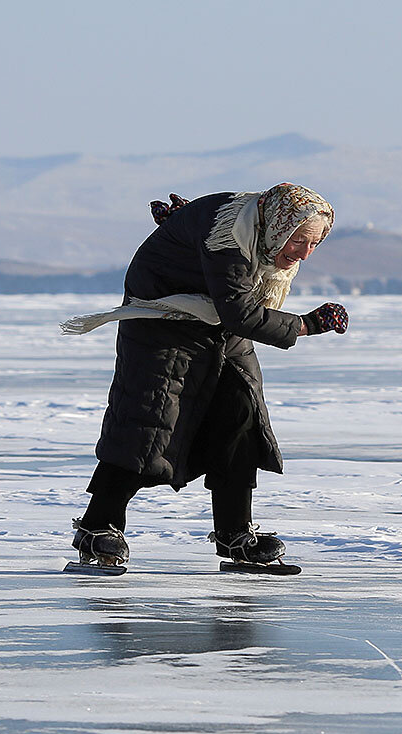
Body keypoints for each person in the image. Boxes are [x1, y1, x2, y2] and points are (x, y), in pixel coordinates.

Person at [64, 183, 348, 568]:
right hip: (164, 319)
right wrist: (307, 324)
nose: (304, 253)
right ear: (279, 226)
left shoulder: (256, 226)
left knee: (240, 417)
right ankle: (98, 527)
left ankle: (235, 535)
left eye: (314, 244)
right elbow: (241, 313)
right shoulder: (231, 238)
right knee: (149, 424)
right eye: (299, 241)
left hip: (216, 322)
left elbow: (224, 280)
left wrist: (183, 229)